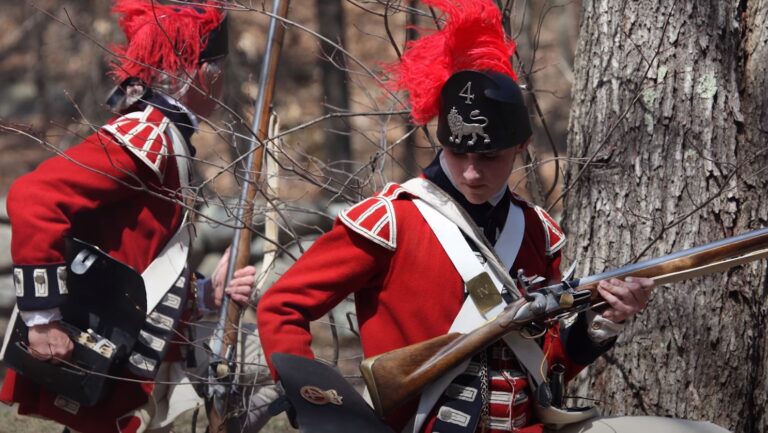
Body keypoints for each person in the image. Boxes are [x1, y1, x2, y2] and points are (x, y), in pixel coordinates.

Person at [256, 1, 730, 433]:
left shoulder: (536, 232)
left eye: (489, 156)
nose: (471, 171)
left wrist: (599, 325)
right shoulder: (389, 221)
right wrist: (327, 411)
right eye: (458, 151)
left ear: (521, 148)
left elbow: (548, 368)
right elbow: (281, 308)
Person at [0, 1, 256, 432]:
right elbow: (33, 196)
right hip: (111, 354)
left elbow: (136, 254)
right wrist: (42, 317)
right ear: (198, 74)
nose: (223, 79)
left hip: (132, 358)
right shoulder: (147, 138)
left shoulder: (165, 139)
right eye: (219, 67)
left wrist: (203, 296)